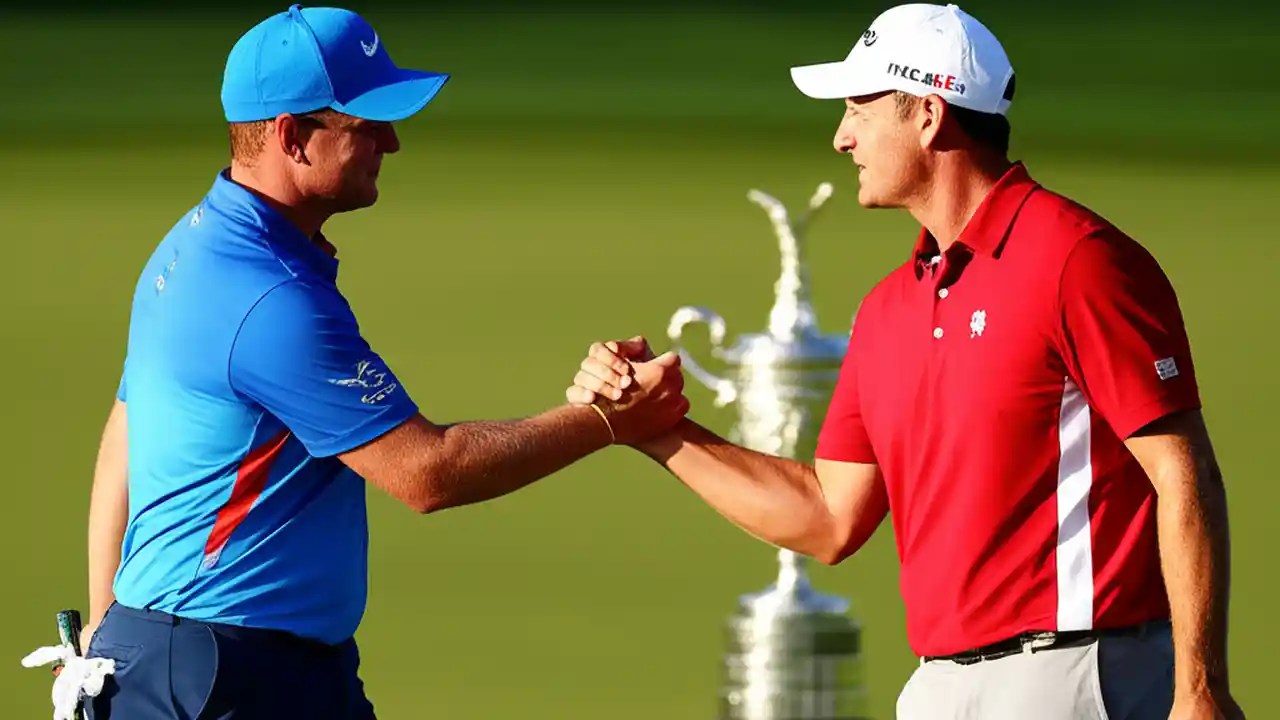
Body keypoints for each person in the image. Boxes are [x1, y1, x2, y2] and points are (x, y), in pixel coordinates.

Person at [567, 4, 1244, 719]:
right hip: (933, 689)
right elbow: (830, 516)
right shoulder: (887, 310)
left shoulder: (1078, 261)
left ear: (928, 113)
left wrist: (1199, 689)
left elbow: (1182, 472)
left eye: (859, 105)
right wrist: (656, 429)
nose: (841, 136)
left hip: (1075, 674)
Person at [79, 5, 687, 718]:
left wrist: (106, 626)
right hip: (226, 677)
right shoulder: (267, 297)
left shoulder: (191, 246)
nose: (393, 143)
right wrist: (606, 420)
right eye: (367, 125)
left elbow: (126, 430)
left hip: (202, 657)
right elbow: (427, 472)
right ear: (291, 136)